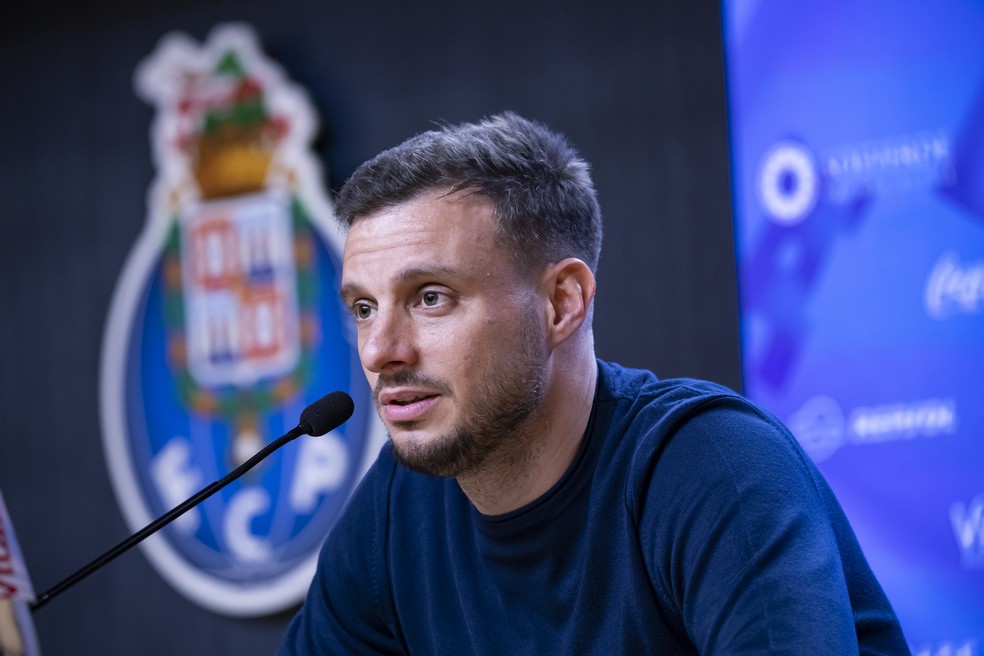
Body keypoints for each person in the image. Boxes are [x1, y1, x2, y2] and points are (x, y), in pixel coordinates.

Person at [280, 112, 909, 654]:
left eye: (431, 297)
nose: (380, 350)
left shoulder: (711, 467)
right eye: (363, 308)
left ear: (561, 303)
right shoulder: (396, 509)